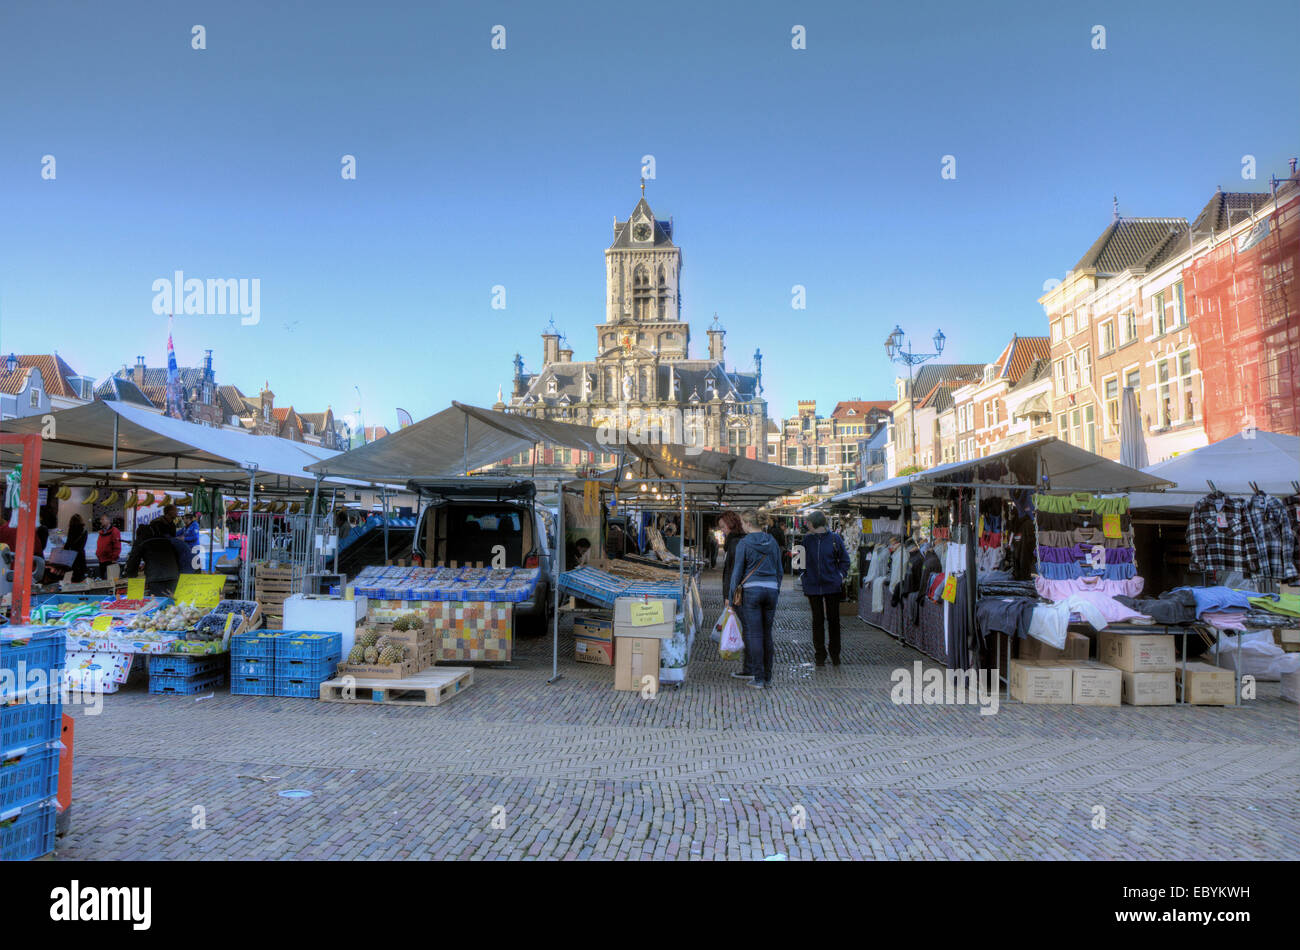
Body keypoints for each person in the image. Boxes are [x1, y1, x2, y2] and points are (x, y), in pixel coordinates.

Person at [730, 508, 783, 690]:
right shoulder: (772, 542)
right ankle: (767, 677)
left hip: (752, 591)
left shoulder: (744, 543)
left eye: (743, 523)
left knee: (754, 635)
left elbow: (737, 572)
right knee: (767, 634)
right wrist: (776, 588)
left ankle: (758, 677)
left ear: (748, 524)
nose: (742, 527)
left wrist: (731, 598)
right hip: (771, 591)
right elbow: (779, 569)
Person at [800, 510, 851, 667]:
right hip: (813, 585)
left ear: (815, 523)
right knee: (817, 621)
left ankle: (835, 654)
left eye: (808, 522)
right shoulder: (806, 540)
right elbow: (798, 561)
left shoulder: (835, 539)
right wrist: (804, 576)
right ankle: (819, 654)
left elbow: (845, 560)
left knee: (833, 620)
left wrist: (840, 576)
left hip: (832, 585)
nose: (806, 525)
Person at [125, 519, 191, 596]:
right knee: (171, 602)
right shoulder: (165, 539)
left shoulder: (142, 541)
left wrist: (131, 575)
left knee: (158, 601)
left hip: (156, 577)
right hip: (172, 574)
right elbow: (173, 556)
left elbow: (134, 559)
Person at [62, 514, 90, 582]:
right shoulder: (84, 531)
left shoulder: (71, 530)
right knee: (80, 577)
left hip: (72, 557)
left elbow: (68, 543)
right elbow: (83, 545)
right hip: (81, 556)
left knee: (72, 578)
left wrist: (63, 549)